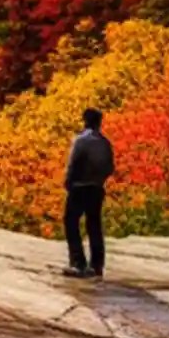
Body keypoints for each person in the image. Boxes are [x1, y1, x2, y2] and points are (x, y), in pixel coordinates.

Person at [63, 108, 114, 279]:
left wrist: (69, 181)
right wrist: (99, 180)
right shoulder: (105, 143)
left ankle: (78, 263)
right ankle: (97, 265)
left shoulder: (81, 141)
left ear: (85, 120)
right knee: (94, 226)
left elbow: (73, 163)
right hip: (96, 188)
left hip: (79, 187)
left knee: (71, 222)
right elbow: (110, 167)